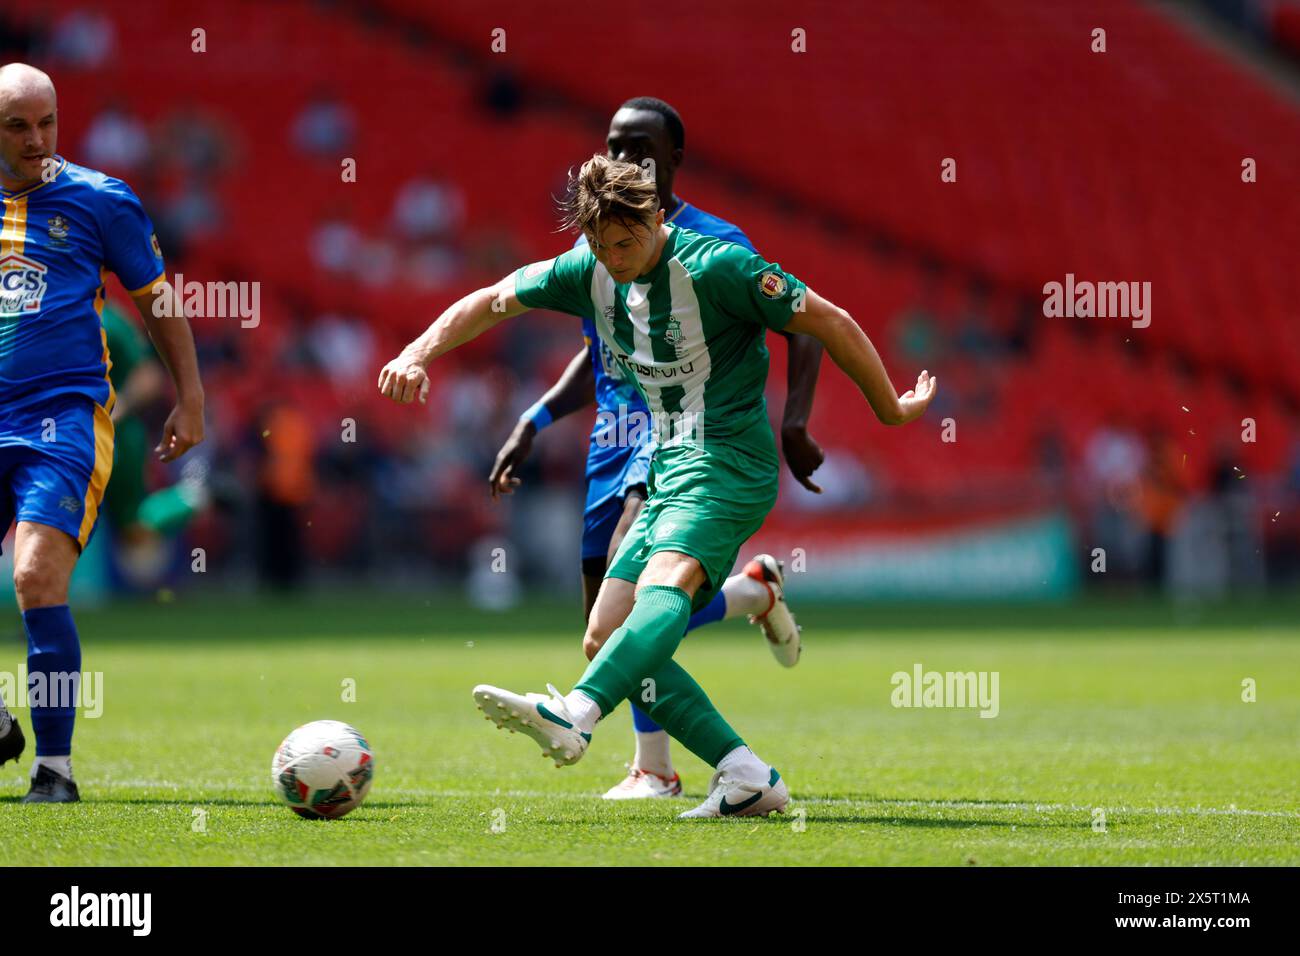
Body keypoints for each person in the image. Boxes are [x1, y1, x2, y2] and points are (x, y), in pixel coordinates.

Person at [379, 154, 936, 818]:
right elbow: (495, 299)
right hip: (667, 462)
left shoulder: (719, 266)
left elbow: (829, 322)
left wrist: (891, 408)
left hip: (729, 460)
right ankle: (744, 774)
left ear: (656, 218)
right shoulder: (588, 271)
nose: (614, 257)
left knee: (665, 587)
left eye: (626, 241)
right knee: (605, 634)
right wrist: (416, 353)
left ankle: (577, 713)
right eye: (601, 244)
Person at [487, 97, 823, 799]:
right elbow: (597, 351)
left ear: (675, 159)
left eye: (643, 147)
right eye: (615, 145)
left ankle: (653, 763)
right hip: (611, 437)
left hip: (678, 436)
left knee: (645, 590)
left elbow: (803, 318)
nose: (629, 158)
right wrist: (537, 418)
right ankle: (744, 601)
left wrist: (794, 420)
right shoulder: (599, 245)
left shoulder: (713, 241)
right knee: (602, 623)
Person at [0, 63, 205, 802]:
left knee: (34, 575)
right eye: (18, 126)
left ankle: (53, 769)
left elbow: (158, 300)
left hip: (62, 417)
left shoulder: (98, 200)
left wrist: (190, 397)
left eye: (47, 122)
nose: (36, 139)